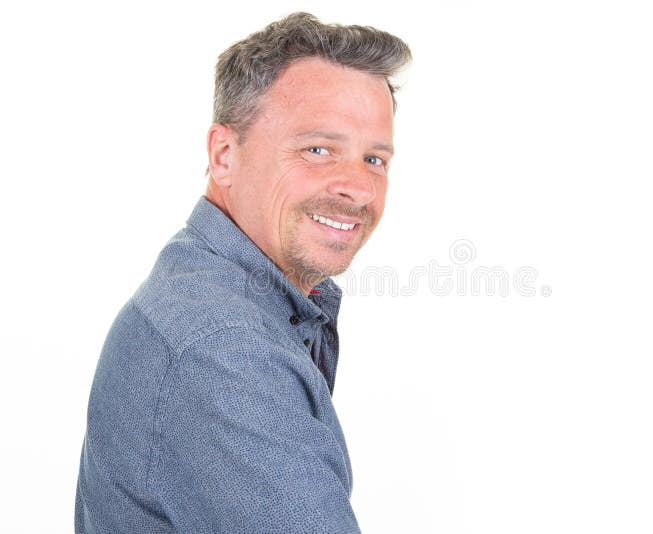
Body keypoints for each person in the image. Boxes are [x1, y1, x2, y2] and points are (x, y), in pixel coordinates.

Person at [75, 12, 411, 533]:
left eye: (374, 159)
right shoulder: (222, 349)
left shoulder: (208, 287)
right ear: (224, 155)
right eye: (318, 150)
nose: (359, 188)